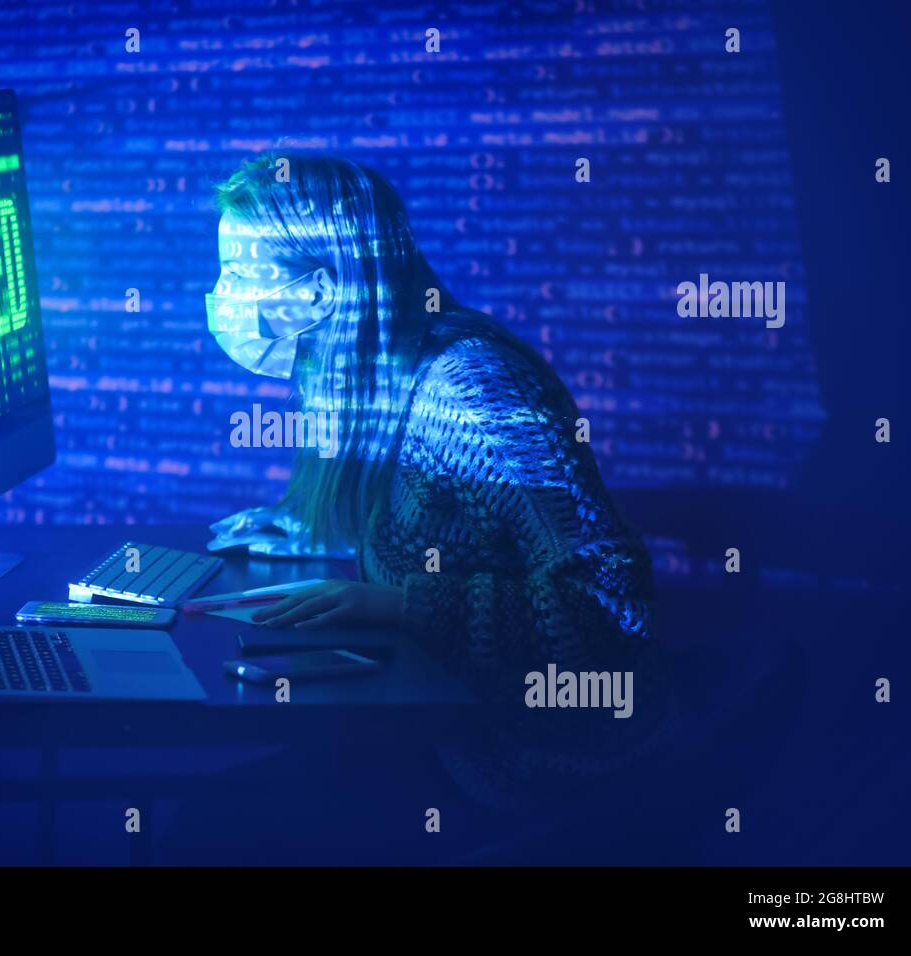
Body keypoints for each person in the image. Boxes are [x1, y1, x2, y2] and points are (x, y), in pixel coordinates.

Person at [205, 154, 670, 816]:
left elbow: (612, 609)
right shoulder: (363, 372)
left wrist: (399, 605)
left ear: (321, 292)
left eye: (241, 274)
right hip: (437, 727)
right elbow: (452, 531)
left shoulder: (474, 389)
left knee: (206, 830)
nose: (221, 296)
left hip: (524, 765)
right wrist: (332, 533)